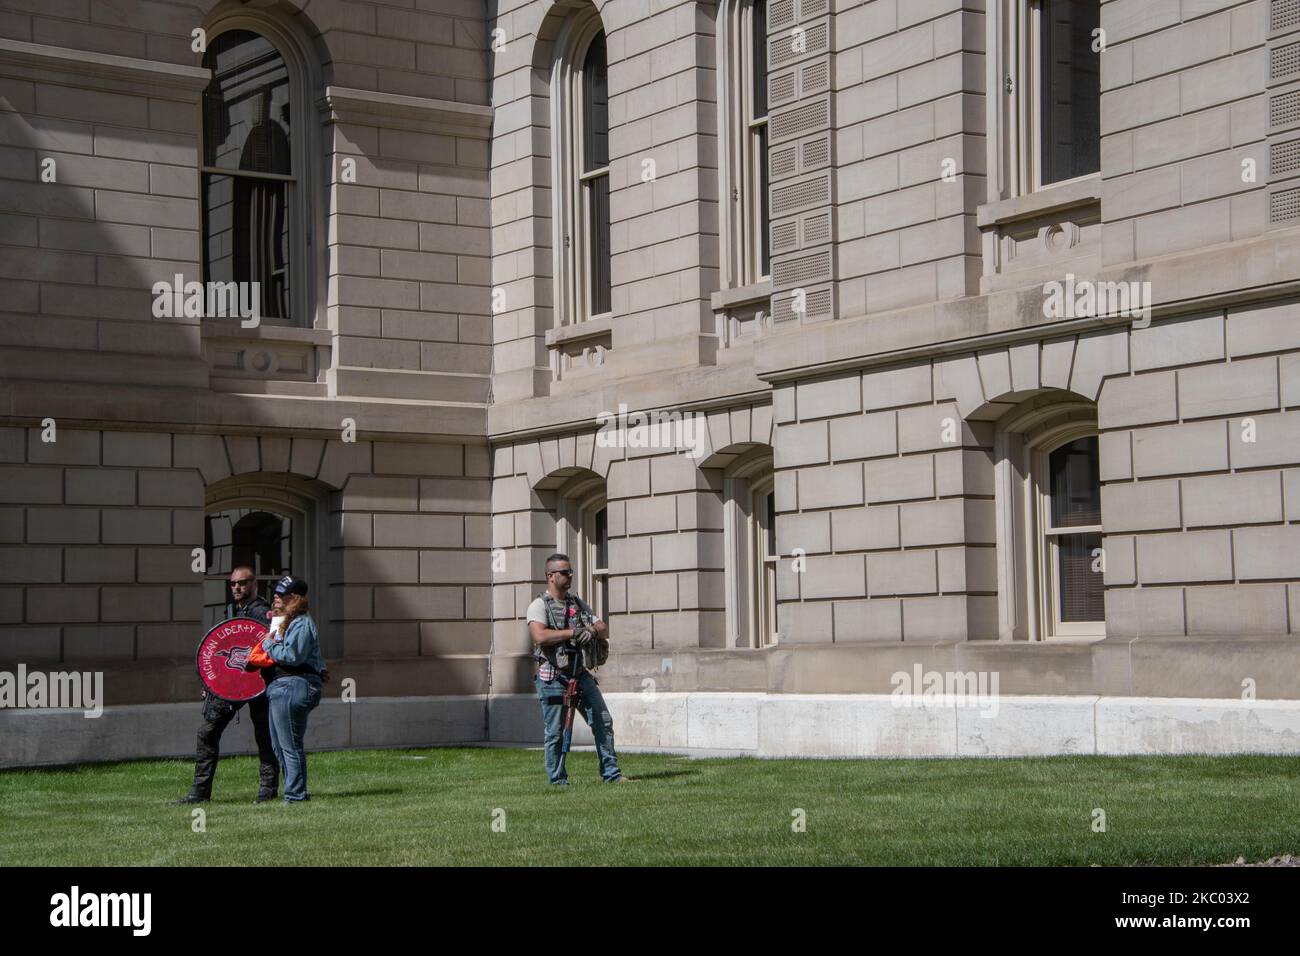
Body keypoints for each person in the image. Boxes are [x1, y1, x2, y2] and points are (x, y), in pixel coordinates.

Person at [527, 553, 634, 786]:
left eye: (570, 571)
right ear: (550, 576)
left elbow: (603, 627)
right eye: (564, 572)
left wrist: (592, 631)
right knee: (555, 732)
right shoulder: (539, 605)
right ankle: (558, 780)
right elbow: (539, 635)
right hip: (553, 677)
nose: (569, 576)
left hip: (580, 674)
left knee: (603, 721)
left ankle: (612, 774)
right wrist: (572, 633)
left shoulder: (577, 603)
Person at [176, 566, 279, 805]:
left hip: (259, 683)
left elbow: (273, 649)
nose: (236, 587)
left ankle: (267, 789)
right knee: (207, 732)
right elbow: (218, 647)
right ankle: (200, 792)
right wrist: (212, 683)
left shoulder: (264, 613)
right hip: (232, 684)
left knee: (264, 736)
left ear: (254, 584)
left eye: (242, 583)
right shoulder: (233, 610)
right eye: (233, 583)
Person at [248, 575, 326, 804]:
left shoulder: (302, 622)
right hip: (283, 686)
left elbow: (293, 656)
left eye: (282, 594)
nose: (276, 597)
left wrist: (268, 643)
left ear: (296, 598)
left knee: (290, 745)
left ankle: (295, 795)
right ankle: (296, 791)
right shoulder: (289, 621)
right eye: (276, 593)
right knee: (280, 745)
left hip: (294, 684)